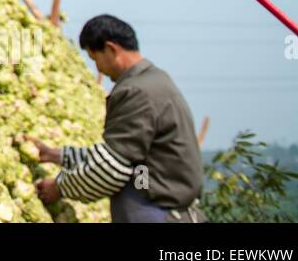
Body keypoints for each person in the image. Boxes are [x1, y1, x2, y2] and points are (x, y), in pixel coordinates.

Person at [23, 14, 206, 222]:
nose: (98, 68)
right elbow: (125, 155)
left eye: (95, 59)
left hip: (158, 213)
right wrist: (58, 156)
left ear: (111, 48)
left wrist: (58, 187)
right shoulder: (156, 80)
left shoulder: (137, 92)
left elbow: (111, 167)